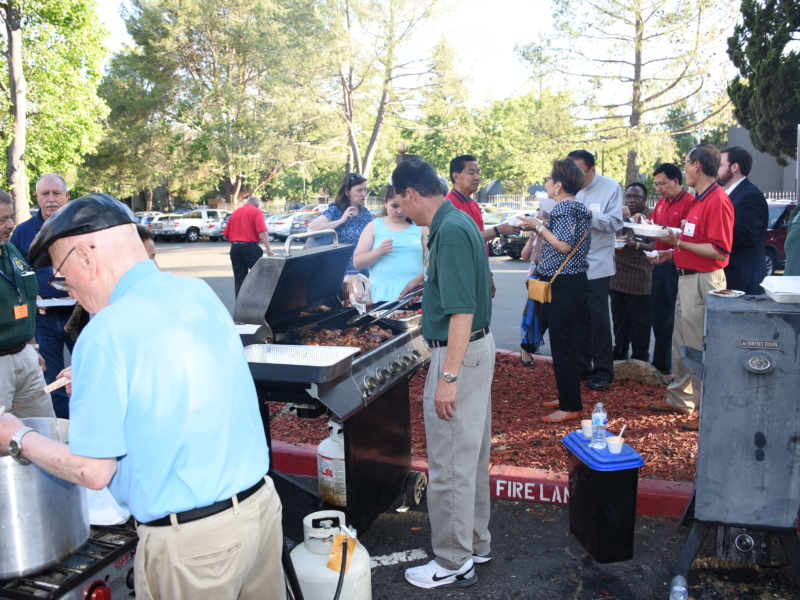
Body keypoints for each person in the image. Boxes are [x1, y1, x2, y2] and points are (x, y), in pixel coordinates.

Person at [0, 193, 285, 600]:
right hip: (261, 512)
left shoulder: (103, 334)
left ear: (86, 257)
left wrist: (16, 435)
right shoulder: (196, 292)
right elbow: (180, 379)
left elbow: (93, 472)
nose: (69, 289)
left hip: (195, 548)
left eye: (62, 275)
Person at [393, 160, 494, 590]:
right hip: (477, 350)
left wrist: (447, 379)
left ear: (412, 193)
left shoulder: (448, 229)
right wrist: (427, 282)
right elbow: (474, 283)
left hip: (459, 354)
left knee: (450, 461)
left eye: (400, 202)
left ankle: (453, 561)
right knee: (470, 457)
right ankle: (476, 543)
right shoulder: (458, 218)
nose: (401, 210)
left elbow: (462, 312)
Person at [647, 144, 734, 431]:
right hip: (686, 277)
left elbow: (720, 251)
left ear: (696, 165)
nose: (683, 168)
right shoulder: (700, 199)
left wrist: (679, 243)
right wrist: (670, 253)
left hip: (703, 280)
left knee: (697, 346)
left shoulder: (717, 200)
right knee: (682, 343)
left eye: (685, 163)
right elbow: (695, 243)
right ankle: (680, 399)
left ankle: (706, 408)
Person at [521, 160, 591, 424]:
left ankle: (570, 405)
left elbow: (563, 245)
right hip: (569, 282)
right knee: (564, 342)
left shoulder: (566, 208)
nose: (546, 183)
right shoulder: (575, 207)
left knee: (563, 346)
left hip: (563, 283)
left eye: (549, 179)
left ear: (559, 185)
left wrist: (538, 227)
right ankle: (566, 398)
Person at [9, 173, 74, 418]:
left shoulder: (82, 228)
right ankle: (62, 429)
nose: (51, 199)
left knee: (88, 373)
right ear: (36, 197)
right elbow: (14, 275)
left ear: (67, 195)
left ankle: (90, 429)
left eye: (56, 193)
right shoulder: (22, 232)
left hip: (78, 315)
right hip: (42, 318)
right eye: (45, 194)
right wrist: (27, 300)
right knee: (53, 380)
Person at [567, 150, 623, 391]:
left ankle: (603, 371)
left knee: (598, 320)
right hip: (571, 263)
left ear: (592, 170)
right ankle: (582, 365)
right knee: (577, 318)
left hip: (597, 264)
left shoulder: (610, 187)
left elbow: (615, 223)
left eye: (579, 171)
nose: (574, 177)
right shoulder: (567, 187)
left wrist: (589, 214)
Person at [0, 190, 54, 418]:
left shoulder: (10, 249)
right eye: (2, 220)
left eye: (10, 217)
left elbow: (26, 296)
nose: (10, 225)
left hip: (25, 355)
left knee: (44, 426)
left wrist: (33, 348)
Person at [646, 164, 695, 374]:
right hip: (659, 264)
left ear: (675, 181)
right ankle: (660, 364)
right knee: (659, 317)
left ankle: (682, 369)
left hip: (679, 265)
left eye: (661, 184)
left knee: (680, 320)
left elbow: (690, 236)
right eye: (656, 185)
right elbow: (652, 226)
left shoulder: (690, 203)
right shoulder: (661, 202)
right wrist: (641, 221)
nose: (658, 189)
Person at [352, 186, 426, 302]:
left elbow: (430, 263)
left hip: (414, 295)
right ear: (385, 202)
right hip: (381, 296)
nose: (399, 211)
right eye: (394, 206)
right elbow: (357, 263)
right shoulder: (374, 226)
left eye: (404, 206)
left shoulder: (421, 226)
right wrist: (379, 251)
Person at [610, 183, 654, 362]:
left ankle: (640, 358)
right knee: (619, 320)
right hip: (617, 277)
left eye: (636, 197)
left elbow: (656, 245)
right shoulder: (618, 214)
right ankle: (620, 352)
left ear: (645, 199)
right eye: (629, 196)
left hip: (640, 278)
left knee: (640, 322)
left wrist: (635, 244)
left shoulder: (651, 217)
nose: (631, 200)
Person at [717, 146, 768, 295]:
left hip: (743, 279)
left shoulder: (749, 195)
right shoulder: (732, 194)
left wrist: (711, 229)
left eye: (719, 165)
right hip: (732, 275)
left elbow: (747, 237)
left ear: (734, 167)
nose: (715, 170)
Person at [447, 155, 520, 250]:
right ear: (456, 177)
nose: (477, 177)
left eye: (478, 173)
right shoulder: (449, 205)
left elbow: (479, 237)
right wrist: (498, 230)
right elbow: (463, 241)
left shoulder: (473, 204)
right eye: (471, 173)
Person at [307, 173, 374, 274]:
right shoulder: (335, 210)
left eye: (365, 190)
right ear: (347, 191)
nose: (363, 194)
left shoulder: (366, 213)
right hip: (338, 273)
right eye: (359, 190)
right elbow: (312, 229)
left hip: (361, 273)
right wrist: (340, 221)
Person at [223, 195, 273, 298]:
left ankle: (240, 304)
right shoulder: (256, 211)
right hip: (250, 247)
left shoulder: (235, 213)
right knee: (260, 276)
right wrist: (268, 248)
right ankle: (259, 301)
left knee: (240, 279)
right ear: (257, 205)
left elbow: (226, 233)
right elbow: (262, 232)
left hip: (235, 247)